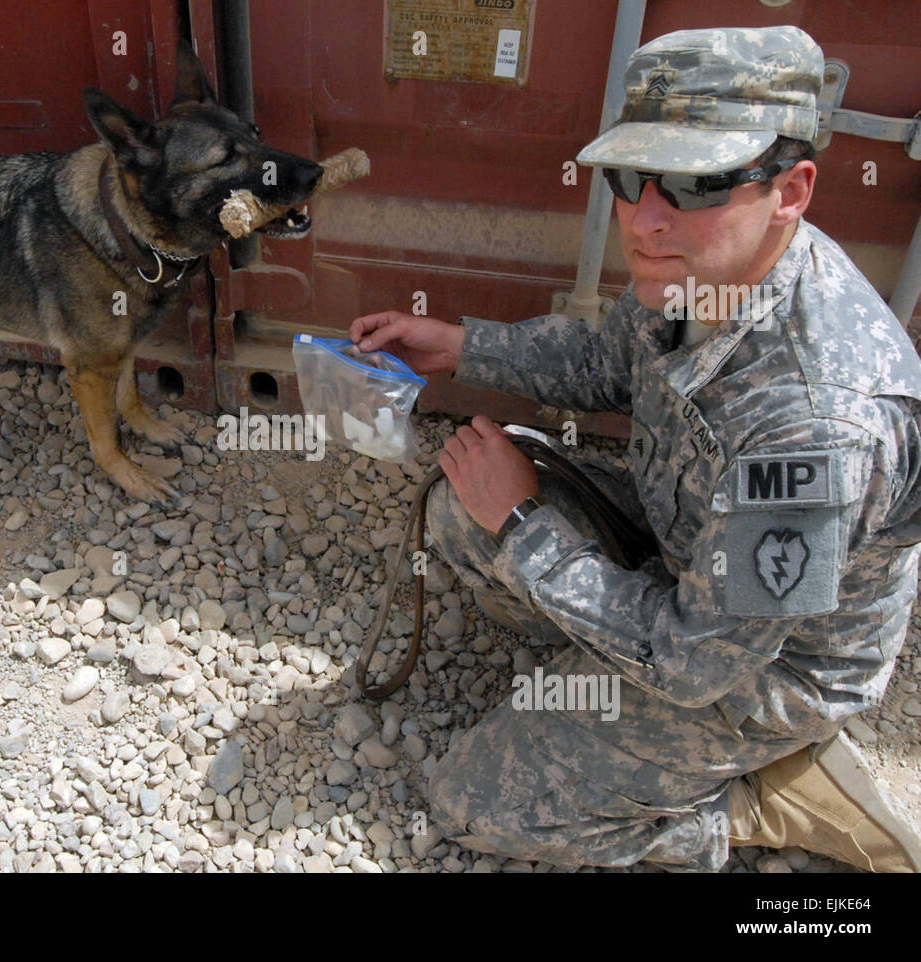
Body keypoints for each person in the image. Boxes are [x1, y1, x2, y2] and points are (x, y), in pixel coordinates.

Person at [350, 25, 921, 871]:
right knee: (457, 510)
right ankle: (614, 693)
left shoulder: (814, 430)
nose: (646, 218)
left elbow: (699, 666)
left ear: (792, 189)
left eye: (697, 183)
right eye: (629, 177)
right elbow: (605, 361)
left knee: (478, 802)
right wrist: (459, 346)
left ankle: (754, 803)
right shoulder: (707, 268)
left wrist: (524, 526)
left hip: (759, 669)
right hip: (683, 557)